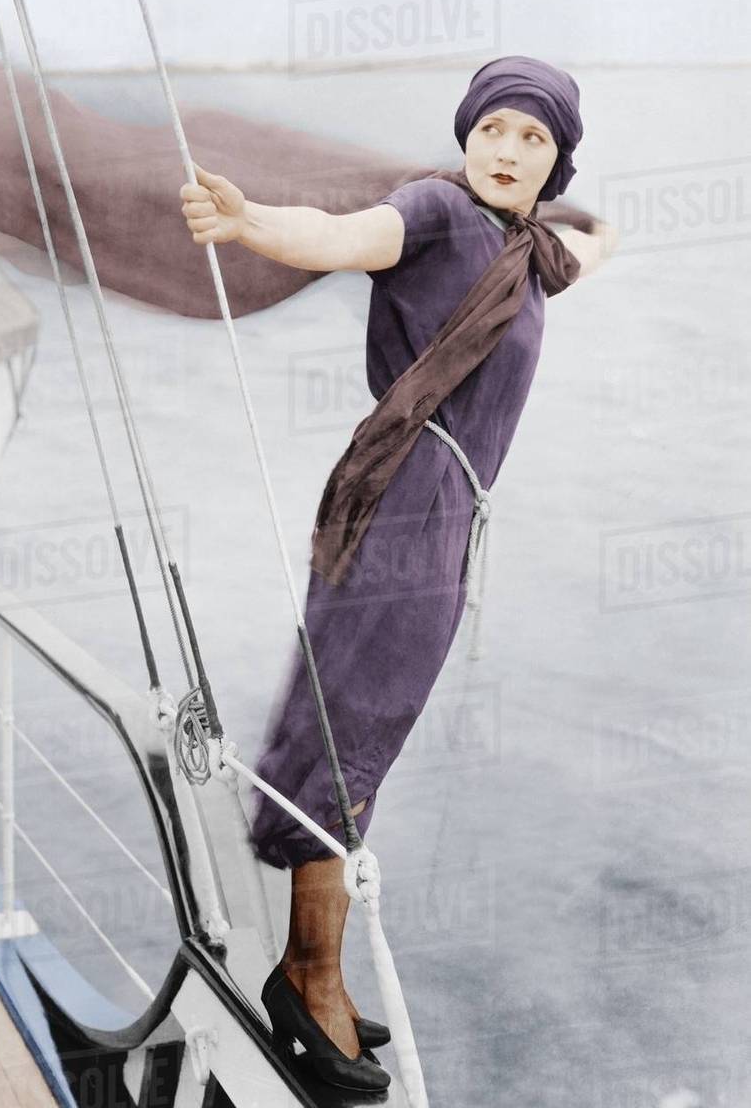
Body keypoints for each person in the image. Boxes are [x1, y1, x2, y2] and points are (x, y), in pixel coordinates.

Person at [179, 55, 617, 1092]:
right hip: (404, 504)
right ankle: (313, 977)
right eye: (494, 130)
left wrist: (589, 228)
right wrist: (252, 225)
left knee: (367, 731)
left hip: (444, 513)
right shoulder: (431, 210)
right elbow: (344, 238)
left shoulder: (532, 250)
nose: (507, 151)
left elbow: (592, 246)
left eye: (534, 139)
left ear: (554, 163)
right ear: (464, 137)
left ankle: (308, 960)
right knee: (352, 727)